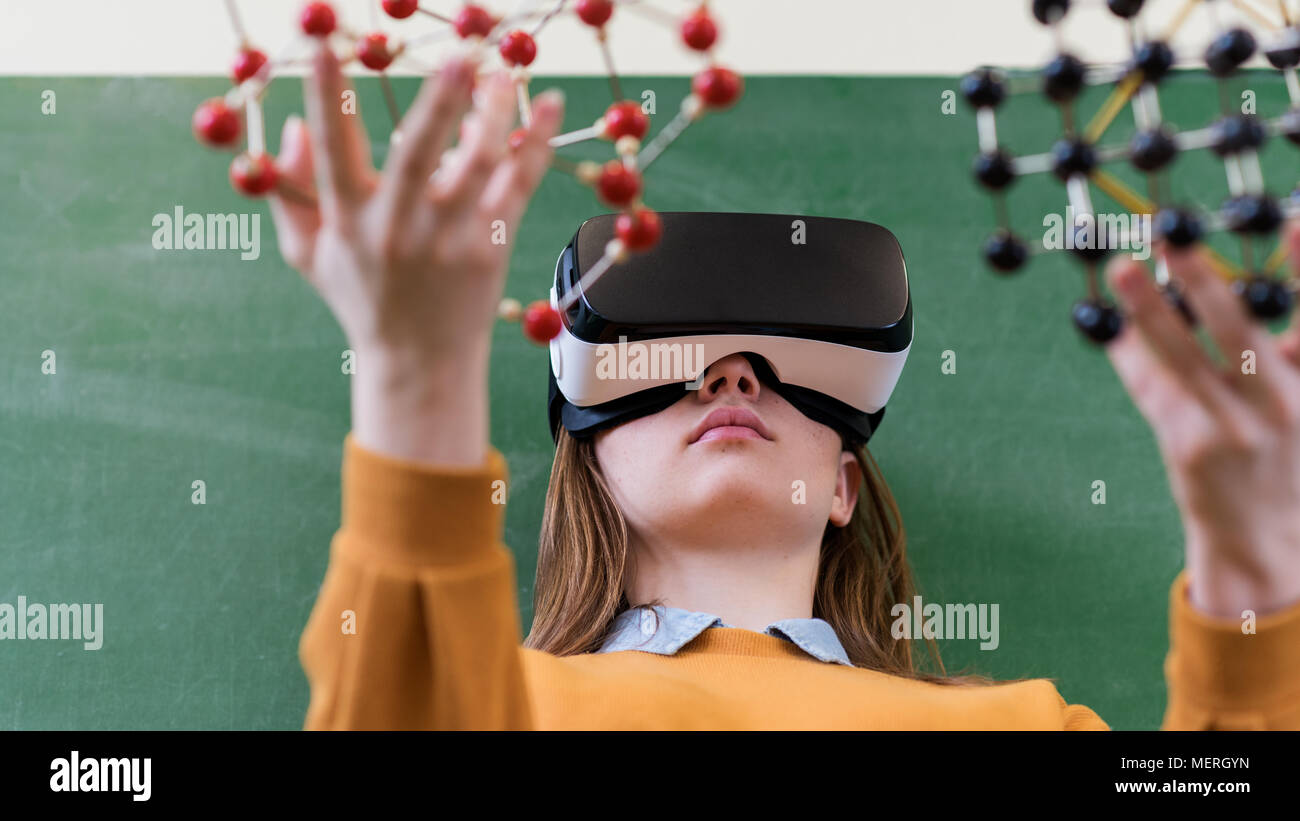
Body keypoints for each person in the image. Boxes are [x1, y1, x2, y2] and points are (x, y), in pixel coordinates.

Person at [272, 45, 1300, 729]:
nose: (731, 375)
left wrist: (1254, 575)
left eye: (779, 376)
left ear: (843, 483)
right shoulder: (494, 701)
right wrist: (417, 381)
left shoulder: (1020, 723)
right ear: (588, 463)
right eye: (676, 373)